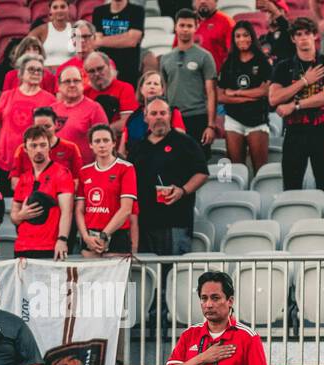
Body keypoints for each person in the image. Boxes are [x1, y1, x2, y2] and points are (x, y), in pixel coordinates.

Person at [129, 97, 209, 254]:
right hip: (144, 221)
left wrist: (183, 190)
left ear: (170, 116)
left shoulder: (185, 142)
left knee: (173, 272)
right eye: (153, 113)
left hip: (175, 221)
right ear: (146, 118)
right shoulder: (138, 147)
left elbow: (202, 173)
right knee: (149, 272)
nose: (158, 117)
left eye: (162, 113)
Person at [269, 18, 324, 192]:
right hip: (294, 132)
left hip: (321, 131)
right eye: (298, 34)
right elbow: (273, 98)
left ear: (315, 35)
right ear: (293, 39)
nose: (303, 38)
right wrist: (304, 81)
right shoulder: (283, 66)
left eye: (307, 33)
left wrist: (294, 105)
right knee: (291, 185)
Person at [0, 55, 57, 195]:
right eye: (31, 70)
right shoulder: (7, 96)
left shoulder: (50, 100)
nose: (36, 73)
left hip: (33, 163)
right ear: (21, 74)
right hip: (4, 160)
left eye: (39, 70)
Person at [11, 126, 76, 260]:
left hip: (49, 246)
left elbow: (67, 211)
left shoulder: (61, 173)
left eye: (42, 145)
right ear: (25, 148)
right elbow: (13, 214)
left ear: (49, 147)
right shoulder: (24, 178)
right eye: (33, 146)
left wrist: (62, 240)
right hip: (22, 247)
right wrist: (20, 215)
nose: (38, 150)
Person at [218, 21, 273, 173]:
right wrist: (251, 96)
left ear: (252, 37)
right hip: (233, 120)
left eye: (245, 35)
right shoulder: (229, 62)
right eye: (237, 36)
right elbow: (220, 96)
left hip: (257, 120)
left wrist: (236, 93)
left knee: (260, 169)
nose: (241, 39)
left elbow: (266, 91)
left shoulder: (262, 61)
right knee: (237, 170)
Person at [159, 9, 220, 147]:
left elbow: (211, 92)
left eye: (189, 26)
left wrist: (210, 125)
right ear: (175, 27)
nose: (185, 30)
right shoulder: (165, 58)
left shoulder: (205, 56)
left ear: (196, 27)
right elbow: (164, 90)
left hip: (198, 117)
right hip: (173, 117)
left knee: (198, 162)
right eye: (182, 25)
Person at [78, 124, 137, 255]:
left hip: (116, 235)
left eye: (106, 140)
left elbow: (126, 209)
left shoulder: (126, 168)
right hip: (90, 237)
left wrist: (104, 235)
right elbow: (79, 209)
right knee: (91, 275)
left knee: (115, 275)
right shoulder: (84, 172)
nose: (102, 145)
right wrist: (85, 236)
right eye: (97, 141)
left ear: (114, 143)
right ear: (90, 145)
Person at [12, 106, 85, 193]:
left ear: (56, 125)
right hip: (31, 199)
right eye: (38, 126)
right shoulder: (22, 149)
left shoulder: (71, 148)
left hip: (63, 198)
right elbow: (15, 182)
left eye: (47, 126)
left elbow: (78, 180)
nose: (43, 130)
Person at [54, 65, 112, 167]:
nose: (72, 84)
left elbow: (105, 145)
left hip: (84, 172)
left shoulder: (95, 109)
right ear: (59, 86)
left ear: (82, 83)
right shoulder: (52, 110)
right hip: (57, 174)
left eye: (76, 81)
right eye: (67, 81)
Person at [119, 69, 187, 155]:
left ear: (162, 90)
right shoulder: (132, 118)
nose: (152, 86)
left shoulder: (173, 113)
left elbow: (182, 142)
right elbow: (122, 151)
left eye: (156, 84)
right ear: (141, 89)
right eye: (148, 83)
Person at [85, 52, 139, 139]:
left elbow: (129, 122)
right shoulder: (85, 93)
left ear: (109, 67)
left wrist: (99, 134)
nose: (97, 74)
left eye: (100, 68)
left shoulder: (125, 88)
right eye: (91, 71)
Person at [92, 0, 146, 86]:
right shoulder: (99, 11)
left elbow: (132, 41)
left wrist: (103, 40)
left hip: (128, 71)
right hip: (104, 71)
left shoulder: (137, 11)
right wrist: (125, 37)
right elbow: (96, 41)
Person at [29, 0, 79, 69]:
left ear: (68, 9)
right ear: (50, 11)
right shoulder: (40, 31)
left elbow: (82, 56)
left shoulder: (76, 29)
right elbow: (26, 51)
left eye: (63, 7)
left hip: (71, 75)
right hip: (47, 74)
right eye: (55, 7)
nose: (59, 10)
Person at [191, 0, 236, 70]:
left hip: (217, 77)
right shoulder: (186, 22)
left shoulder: (226, 22)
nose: (202, 1)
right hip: (191, 77)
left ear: (216, 1)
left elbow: (234, 56)